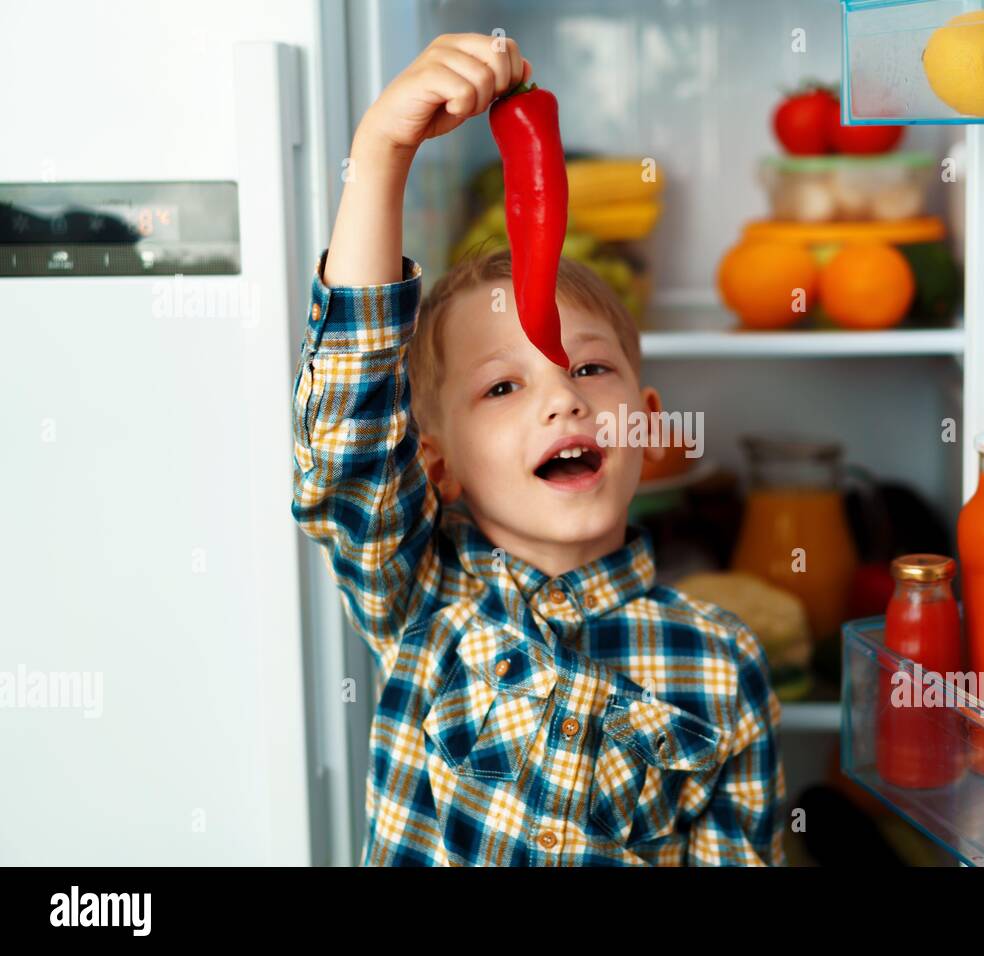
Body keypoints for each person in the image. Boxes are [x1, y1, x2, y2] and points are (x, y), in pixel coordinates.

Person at [291, 32, 785, 866]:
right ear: (436, 461)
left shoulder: (722, 661)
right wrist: (382, 152)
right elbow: (347, 435)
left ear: (648, 428)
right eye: (503, 386)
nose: (563, 396)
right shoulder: (418, 596)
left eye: (589, 367)